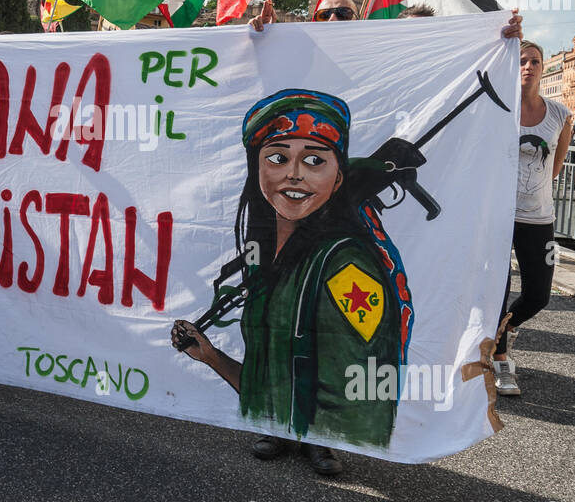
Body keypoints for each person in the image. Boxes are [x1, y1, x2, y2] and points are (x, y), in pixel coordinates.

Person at [171, 90, 415, 475]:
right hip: (279, 411)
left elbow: (361, 393)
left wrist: (332, 431)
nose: (294, 173)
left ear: (338, 178)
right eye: (277, 157)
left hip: (333, 423)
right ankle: (279, 428)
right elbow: (269, 361)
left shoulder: (346, 265)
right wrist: (213, 358)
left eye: (315, 160)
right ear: (257, 169)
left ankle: (321, 442)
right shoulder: (259, 248)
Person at [494, 41, 571, 397]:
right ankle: (500, 358)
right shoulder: (496, 108)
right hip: (495, 215)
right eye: (521, 61)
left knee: (539, 294)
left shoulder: (560, 115)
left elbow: (554, 167)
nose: (528, 66)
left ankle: (503, 332)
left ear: (543, 68)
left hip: (539, 217)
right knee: (496, 291)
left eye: (534, 61)